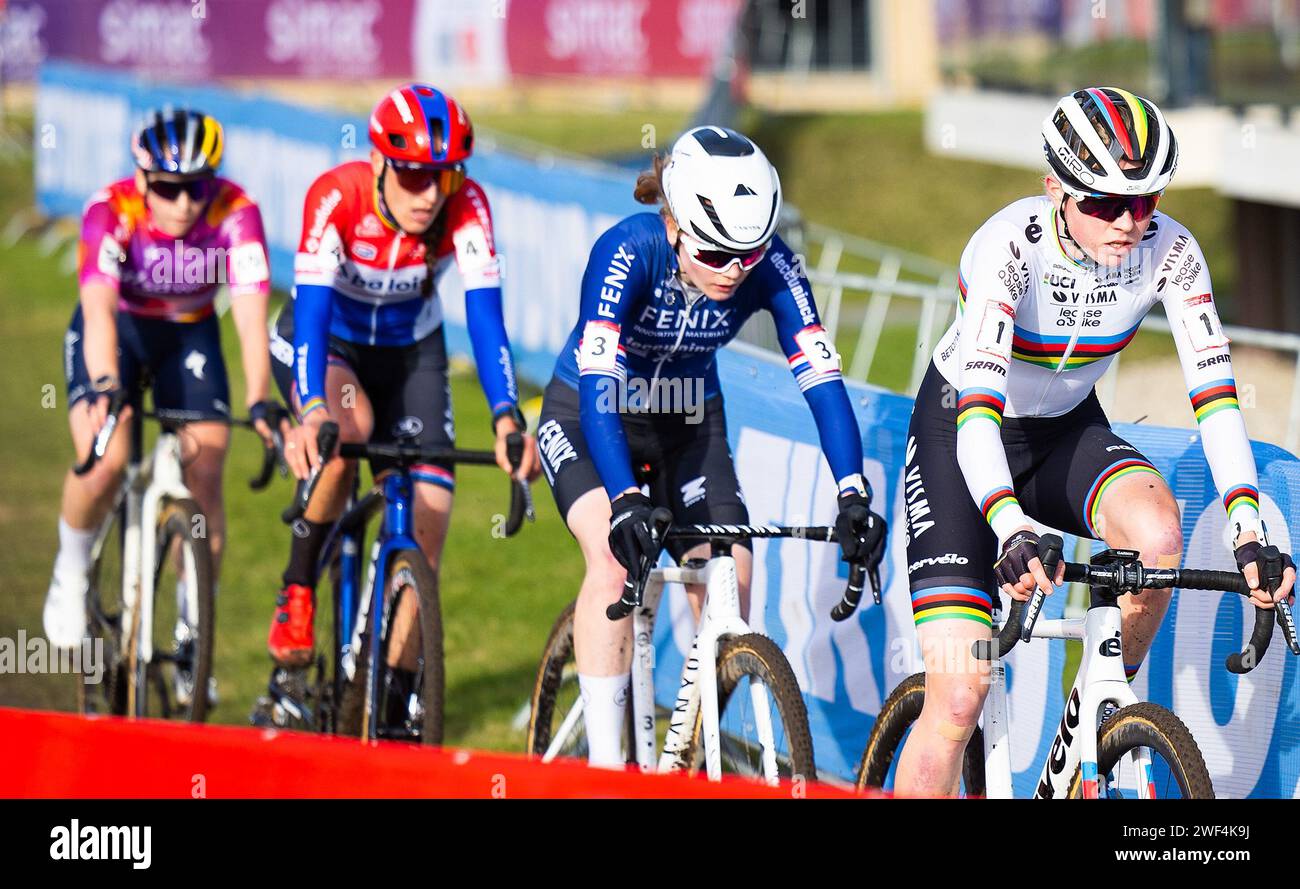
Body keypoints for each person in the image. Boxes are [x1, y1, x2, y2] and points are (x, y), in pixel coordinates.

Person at [896, 86, 1297, 796]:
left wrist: (1247, 526)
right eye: (1106, 203)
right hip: (964, 430)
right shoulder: (1006, 249)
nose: (1129, 221)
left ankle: (1098, 733)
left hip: (1065, 428)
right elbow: (980, 418)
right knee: (961, 692)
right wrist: (1011, 524)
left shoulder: (1170, 251)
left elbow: (1215, 396)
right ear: (1056, 186)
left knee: (1159, 535)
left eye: (1145, 202)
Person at [536, 125, 888, 767]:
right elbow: (598, 388)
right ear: (674, 224)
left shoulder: (772, 264)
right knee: (615, 565)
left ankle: (690, 757)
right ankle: (609, 772)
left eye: (748, 255)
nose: (736, 271)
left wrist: (852, 491)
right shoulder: (626, 251)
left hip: (690, 424)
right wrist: (623, 500)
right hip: (591, 418)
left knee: (733, 580)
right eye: (719, 254)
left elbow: (821, 377)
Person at [266, 83, 539, 670]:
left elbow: (485, 319)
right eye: (413, 174)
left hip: (411, 350)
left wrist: (506, 416)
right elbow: (310, 312)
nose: (429, 194)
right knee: (347, 429)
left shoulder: (468, 205)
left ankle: (391, 688)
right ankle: (297, 590)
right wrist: (311, 408)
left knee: (431, 513)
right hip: (328, 343)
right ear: (378, 163)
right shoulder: (336, 197)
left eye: (443, 176)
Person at [44, 107, 282, 675]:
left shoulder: (236, 212)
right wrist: (104, 383)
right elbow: (98, 309)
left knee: (208, 463)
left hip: (188, 332)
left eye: (196, 188)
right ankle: (71, 573)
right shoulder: (110, 209)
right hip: (118, 330)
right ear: (144, 179)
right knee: (107, 456)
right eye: (169, 189)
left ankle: (191, 615)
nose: (183, 204)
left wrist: (258, 398)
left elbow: (251, 318)